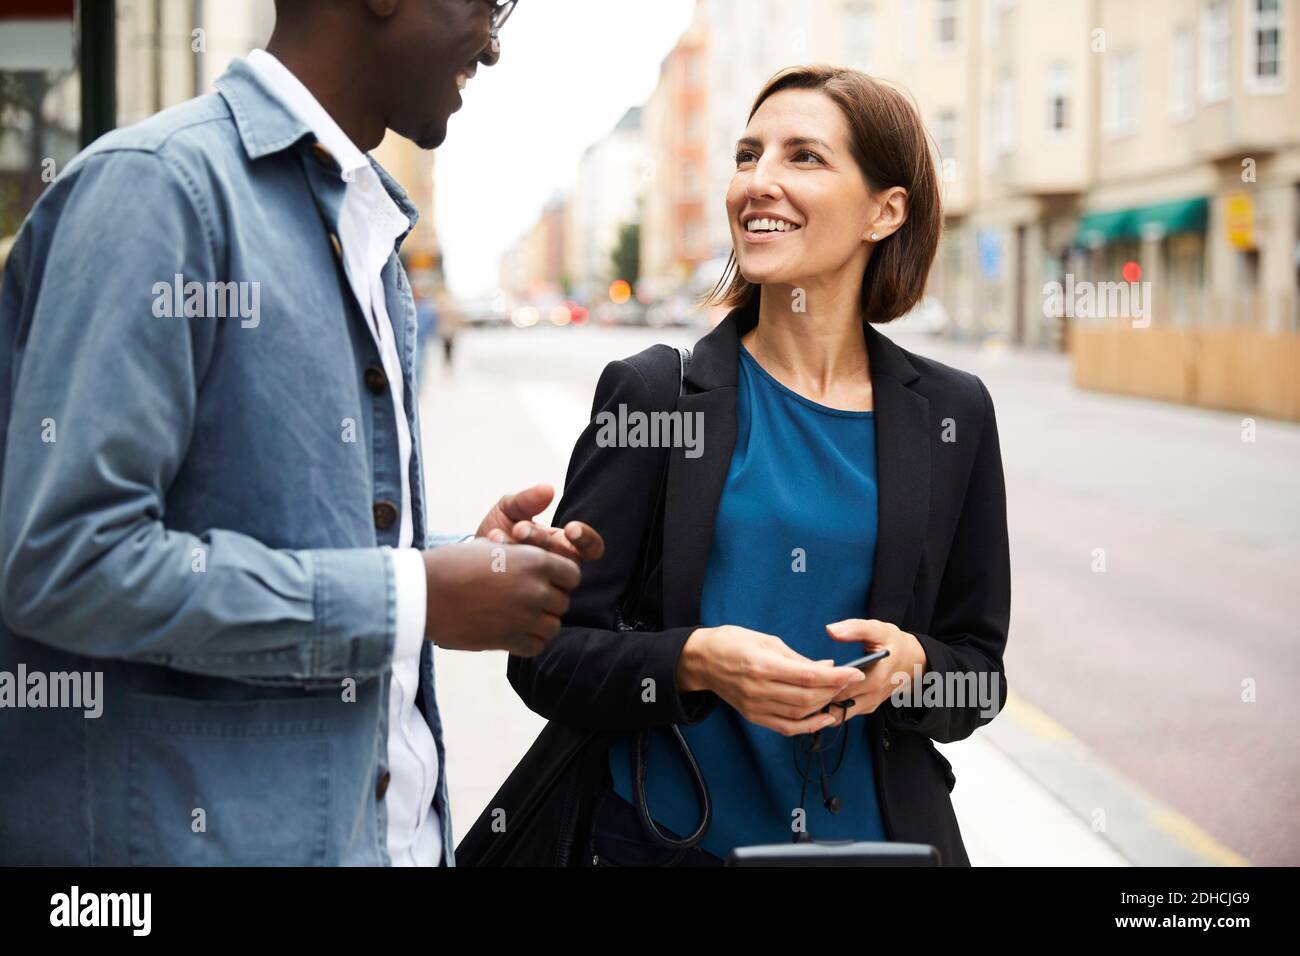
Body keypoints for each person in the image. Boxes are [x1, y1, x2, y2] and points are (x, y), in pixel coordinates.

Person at [0, 0, 599, 866]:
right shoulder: (160, 189)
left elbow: (263, 537)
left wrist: (452, 561)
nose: (497, 40)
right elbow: (68, 561)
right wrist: (418, 594)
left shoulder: (365, 228)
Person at [471, 65, 1010, 867]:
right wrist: (692, 663)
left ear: (884, 211)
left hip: (879, 845)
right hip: (663, 843)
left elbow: (980, 676)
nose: (757, 183)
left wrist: (912, 669)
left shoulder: (953, 414)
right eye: (747, 155)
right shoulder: (654, 394)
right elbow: (546, 660)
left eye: (804, 158)